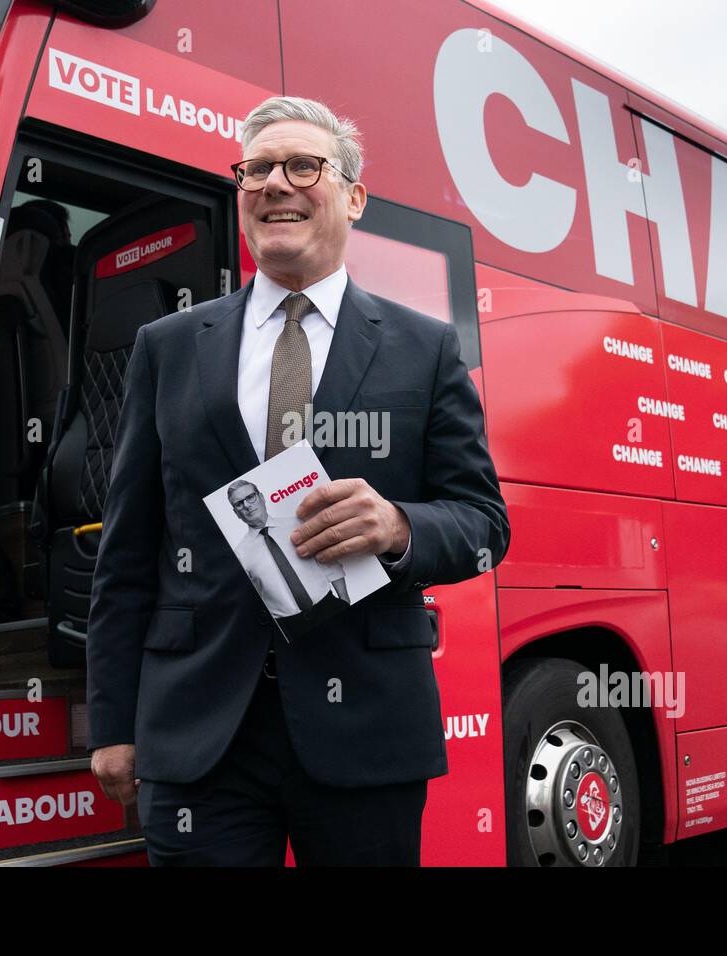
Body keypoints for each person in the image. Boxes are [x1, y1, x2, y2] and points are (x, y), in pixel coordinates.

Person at [87, 95, 509, 866]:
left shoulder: (425, 348)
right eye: (257, 169)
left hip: (366, 729)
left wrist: (400, 528)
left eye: (303, 166)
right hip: (202, 732)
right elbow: (128, 551)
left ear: (352, 196)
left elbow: (484, 523)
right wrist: (113, 723)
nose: (276, 182)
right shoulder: (168, 346)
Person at [226, 478, 350, 639]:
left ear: (261, 497)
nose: (247, 505)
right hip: (289, 627)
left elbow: (328, 562)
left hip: (329, 606)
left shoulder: (297, 524)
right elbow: (252, 601)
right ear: (236, 513)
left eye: (250, 497)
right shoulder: (239, 554)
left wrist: (345, 600)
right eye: (239, 504)